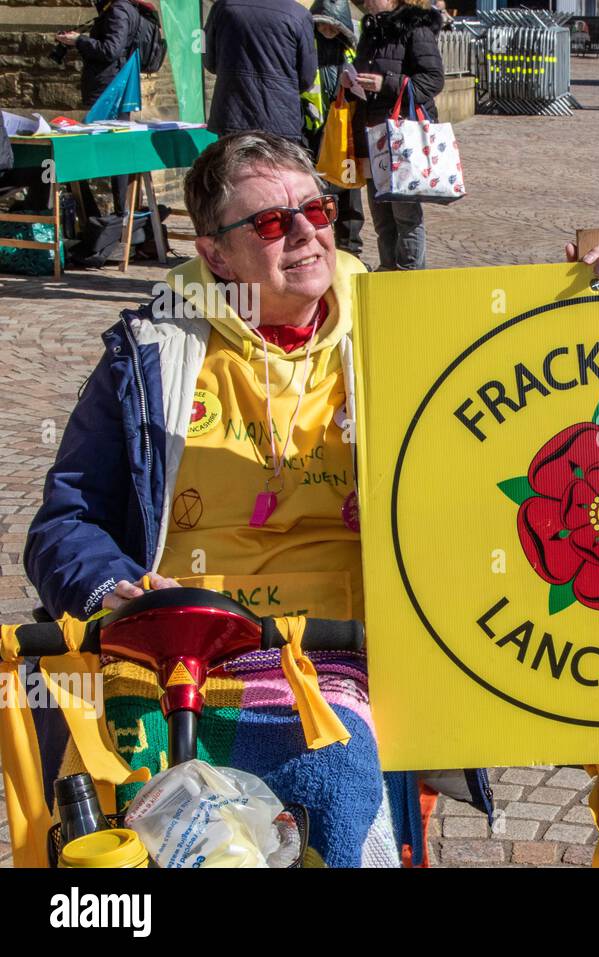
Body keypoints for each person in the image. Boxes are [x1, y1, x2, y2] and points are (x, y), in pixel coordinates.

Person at [23, 131, 417, 867]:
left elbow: (519, 413)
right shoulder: (151, 349)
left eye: (318, 209)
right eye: (271, 223)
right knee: (121, 811)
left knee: (331, 782)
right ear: (214, 255)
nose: (305, 232)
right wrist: (115, 589)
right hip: (176, 643)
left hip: (342, 648)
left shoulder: (403, 328)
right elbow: (65, 521)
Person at [344, 0, 444, 271]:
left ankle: (409, 275)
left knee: (405, 215)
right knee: (382, 217)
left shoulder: (415, 27)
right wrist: (351, 83)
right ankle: (388, 270)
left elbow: (433, 79)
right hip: (373, 133)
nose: (365, 2)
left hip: (402, 137)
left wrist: (385, 83)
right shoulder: (372, 29)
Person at [56, 0, 142, 217]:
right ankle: (117, 213)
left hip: (109, 92)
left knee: (91, 150)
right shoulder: (120, 8)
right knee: (114, 150)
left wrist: (79, 41)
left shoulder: (117, 9)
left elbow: (110, 50)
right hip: (112, 88)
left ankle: (110, 214)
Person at [204, 0, 319, 143]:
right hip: (281, 118)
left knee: (235, 164)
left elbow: (208, 60)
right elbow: (307, 77)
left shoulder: (223, 7)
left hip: (232, 113)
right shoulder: (300, 14)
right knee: (276, 165)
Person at [308, 0, 366, 257]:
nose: (328, 30)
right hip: (313, 130)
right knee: (319, 191)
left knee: (349, 191)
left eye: (334, 26)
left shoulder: (350, 51)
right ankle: (321, 244)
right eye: (323, 24)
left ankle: (351, 248)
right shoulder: (307, 48)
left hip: (344, 131)